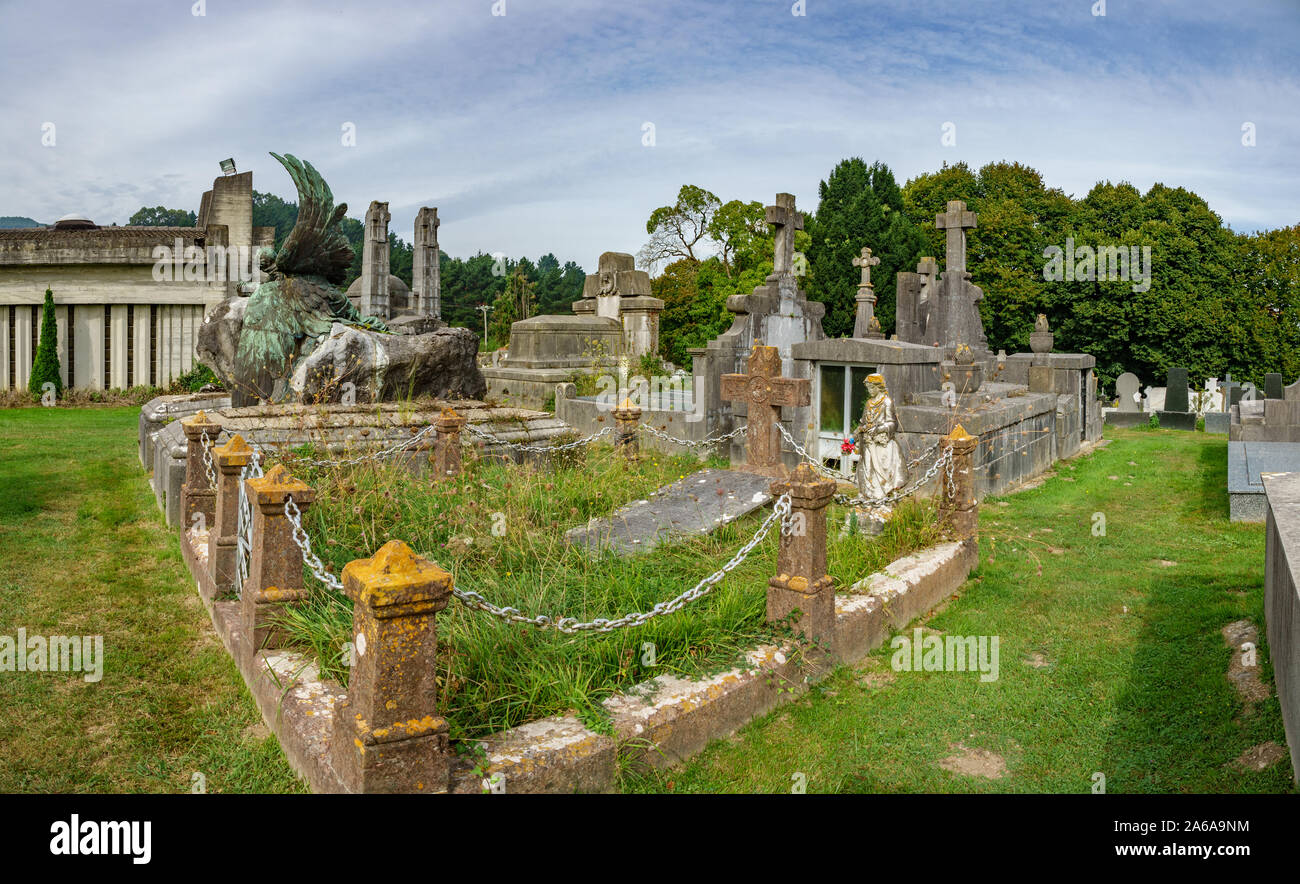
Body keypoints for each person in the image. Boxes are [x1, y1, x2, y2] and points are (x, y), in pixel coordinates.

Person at [853, 374, 908, 501]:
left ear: (879, 387)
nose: (869, 391)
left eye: (872, 388)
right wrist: (855, 436)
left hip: (882, 443)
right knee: (867, 468)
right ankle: (867, 495)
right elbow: (863, 423)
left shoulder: (887, 402)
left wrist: (878, 429)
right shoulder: (869, 403)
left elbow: (892, 423)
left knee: (883, 468)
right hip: (868, 442)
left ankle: (883, 494)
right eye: (868, 388)